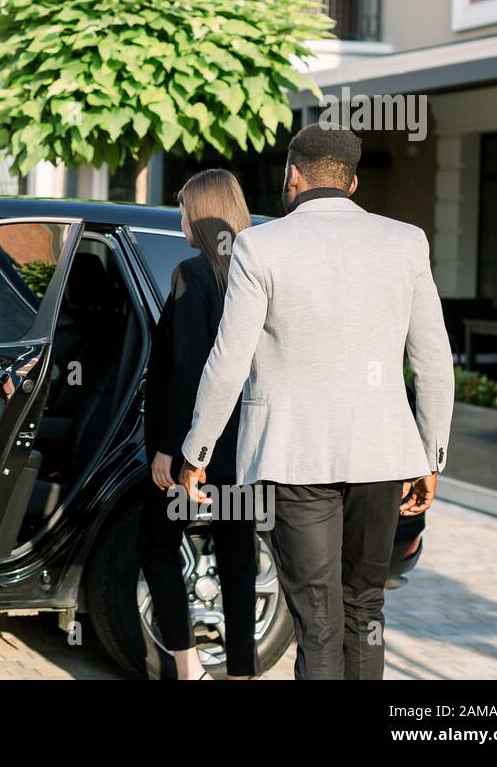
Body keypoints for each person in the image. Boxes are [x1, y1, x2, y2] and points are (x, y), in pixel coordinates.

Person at [177, 123, 453, 680]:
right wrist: (432, 456)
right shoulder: (406, 241)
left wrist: (197, 450)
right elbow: (433, 361)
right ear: (351, 183)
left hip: (293, 457)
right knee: (364, 609)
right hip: (381, 456)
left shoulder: (261, 243)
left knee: (318, 621)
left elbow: (229, 361)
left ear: (293, 175)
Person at [140, 169, 259, 680]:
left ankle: (189, 669)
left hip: (197, 455)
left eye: (184, 207)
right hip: (247, 450)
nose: (179, 217)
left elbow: (188, 369)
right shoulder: (255, 273)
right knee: (239, 562)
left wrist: (172, 448)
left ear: (202, 214)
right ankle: (241, 672)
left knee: (155, 545)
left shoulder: (192, 273)